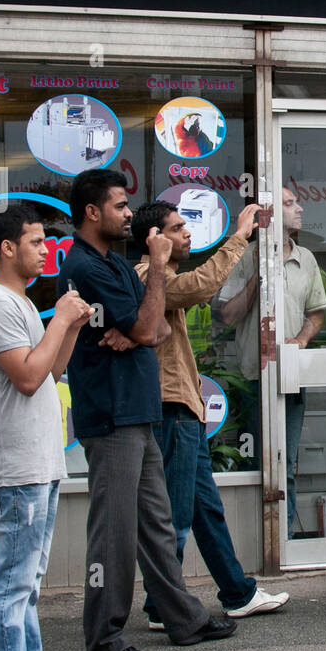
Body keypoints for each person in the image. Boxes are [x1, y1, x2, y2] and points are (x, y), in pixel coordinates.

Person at [58, 169, 235, 651]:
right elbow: (144, 324)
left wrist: (140, 327)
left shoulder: (112, 264)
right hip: (111, 414)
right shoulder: (84, 266)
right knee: (113, 534)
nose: (130, 213)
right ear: (92, 213)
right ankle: (105, 638)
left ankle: (183, 617)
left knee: (157, 523)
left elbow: (153, 329)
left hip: (140, 409)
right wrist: (155, 273)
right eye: (119, 205)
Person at [125, 199, 290, 626]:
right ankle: (162, 604)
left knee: (204, 510)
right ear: (154, 239)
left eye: (185, 226)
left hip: (186, 409)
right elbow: (202, 285)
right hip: (171, 410)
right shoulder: (149, 275)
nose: (186, 233)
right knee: (176, 516)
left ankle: (237, 593)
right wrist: (239, 238)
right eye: (177, 228)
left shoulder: (162, 279)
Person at [0, 203, 93, 651]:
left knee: (31, 570)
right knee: (13, 573)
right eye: (37, 242)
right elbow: (24, 377)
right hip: (14, 462)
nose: (47, 251)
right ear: (7, 248)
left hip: (39, 459)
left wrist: (70, 327)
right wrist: (61, 318)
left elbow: (51, 370)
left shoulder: (19, 303)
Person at [218, 186, 326, 532]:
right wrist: (257, 276)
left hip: (291, 377)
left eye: (296, 201)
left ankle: (284, 538)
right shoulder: (244, 256)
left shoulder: (306, 258)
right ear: (270, 214)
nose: (300, 208)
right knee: (258, 461)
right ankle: (255, 539)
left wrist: (300, 339)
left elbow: (317, 314)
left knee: (287, 463)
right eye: (290, 203)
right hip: (253, 377)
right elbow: (227, 316)